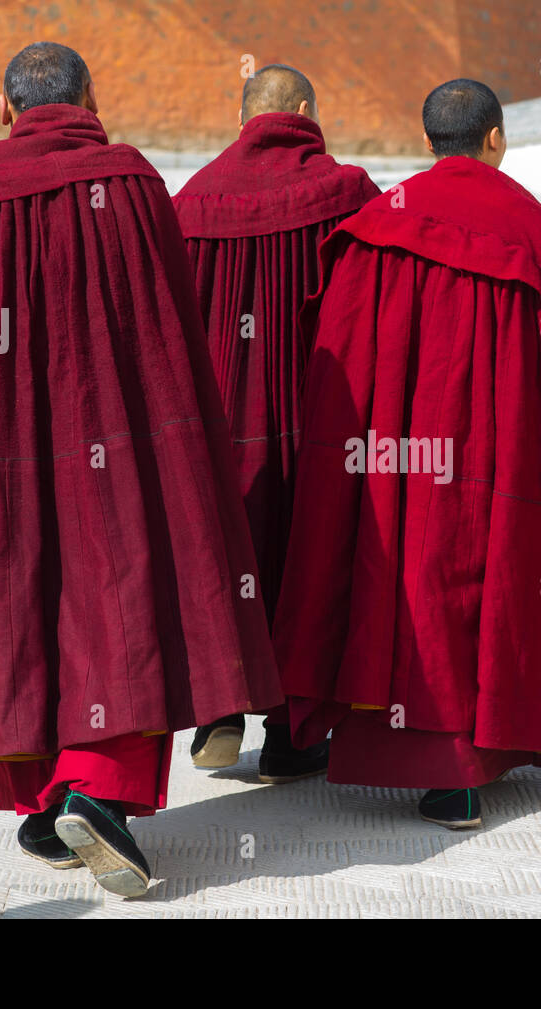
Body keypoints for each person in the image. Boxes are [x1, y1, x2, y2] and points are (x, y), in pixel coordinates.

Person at [0, 42, 282, 896]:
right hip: (115, 430)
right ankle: (97, 789)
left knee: (23, 593)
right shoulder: (128, 181)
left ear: (4, 112)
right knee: (122, 588)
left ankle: (47, 801)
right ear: (91, 100)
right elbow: (168, 329)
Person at [272, 79, 541, 829]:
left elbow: (332, 347)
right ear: (495, 139)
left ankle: (420, 755)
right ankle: (463, 764)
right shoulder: (523, 220)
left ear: (428, 137)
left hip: (393, 457)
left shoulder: (380, 222)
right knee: (486, 577)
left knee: (404, 580)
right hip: (495, 448)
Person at [173, 64, 379, 782]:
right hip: (322, 418)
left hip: (223, 430)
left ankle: (220, 708)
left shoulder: (190, 200)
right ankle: (294, 733)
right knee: (311, 560)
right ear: (302, 110)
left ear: (243, 120)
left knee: (229, 558)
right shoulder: (347, 191)